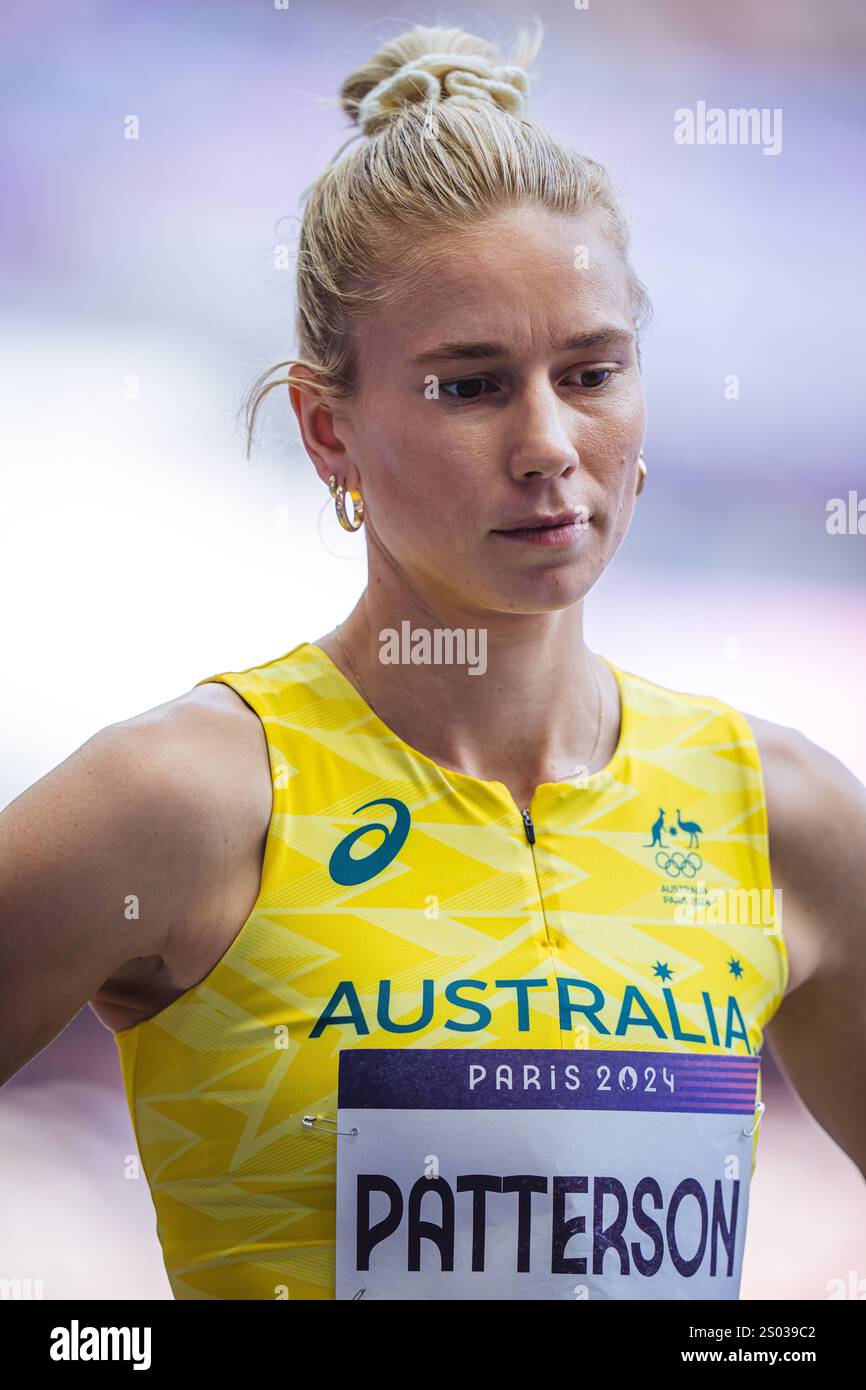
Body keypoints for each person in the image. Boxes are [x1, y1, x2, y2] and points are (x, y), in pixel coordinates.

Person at [1, 22, 864, 1302]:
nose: (547, 443)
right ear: (324, 427)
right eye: (469, 386)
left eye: (591, 373)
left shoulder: (774, 811)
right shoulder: (187, 799)